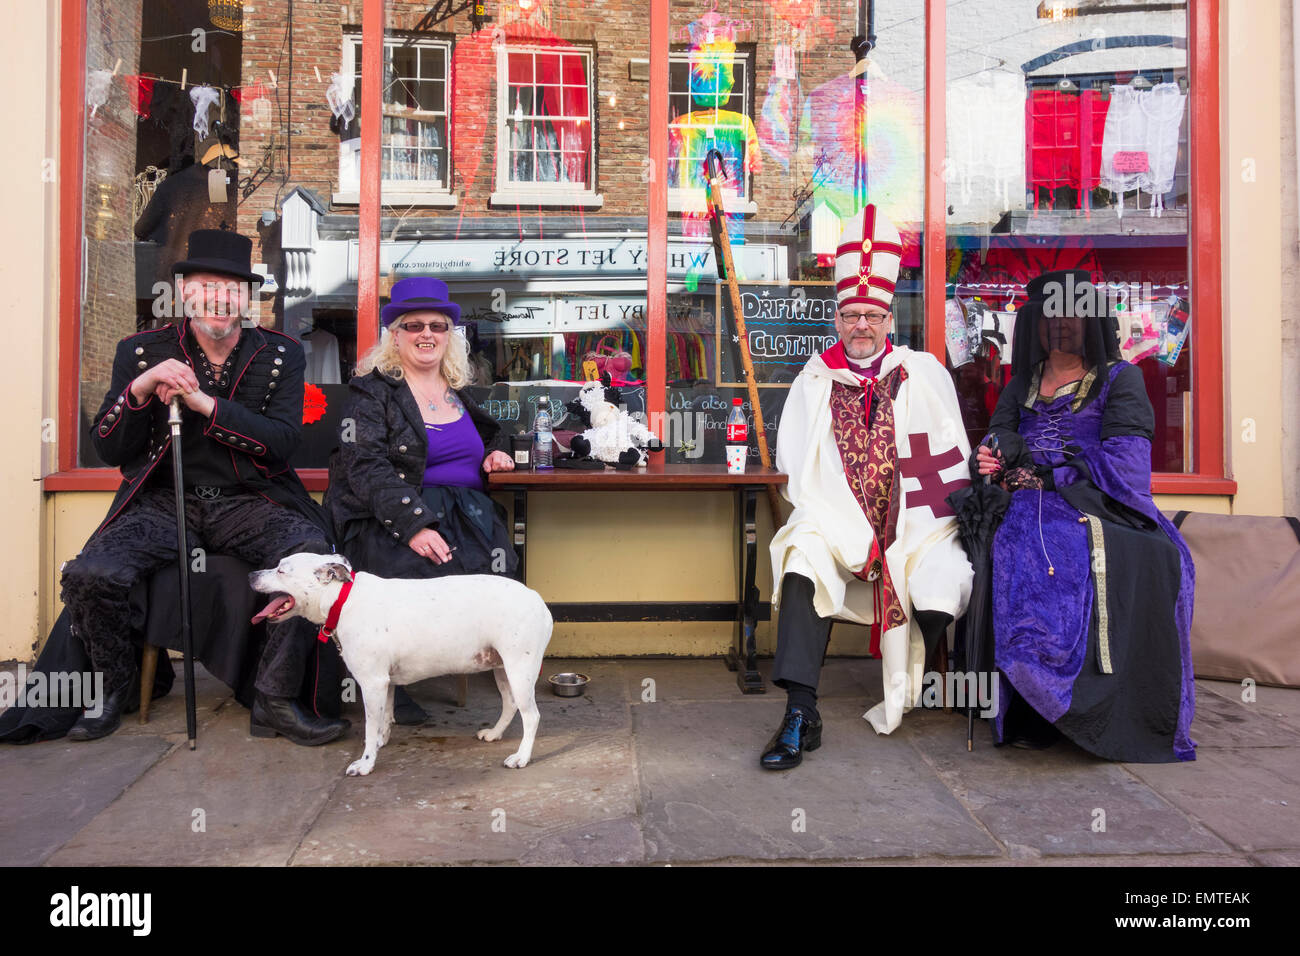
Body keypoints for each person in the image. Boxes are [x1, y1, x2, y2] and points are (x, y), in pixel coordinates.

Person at [9, 230, 349, 745]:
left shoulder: (279, 354)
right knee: (91, 572)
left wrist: (206, 406)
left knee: (314, 560)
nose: (220, 297)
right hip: (164, 502)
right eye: (207, 285)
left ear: (247, 298)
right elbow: (111, 449)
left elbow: (280, 443)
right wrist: (139, 391)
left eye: (233, 287)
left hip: (248, 501)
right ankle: (112, 689)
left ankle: (275, 696)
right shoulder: (142, 351)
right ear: (185, 292)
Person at [762, 204, 975, 770]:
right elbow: (797, 467)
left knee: (942, 586)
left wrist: (906, 527)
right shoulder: (813, 380)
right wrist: (840, 520)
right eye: (851, 314)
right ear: (836, 319)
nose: (861, 325)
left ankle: (935, 683)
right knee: (801, 552)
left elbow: (951, 456)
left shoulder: (922, 371)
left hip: (916, 527)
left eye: (872, 316)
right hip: (837, 524)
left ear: (888, 320)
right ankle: (800, 712)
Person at [972, 270, 1195, 762]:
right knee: (1020, 543)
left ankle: (1077, 703)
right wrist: (988, 456)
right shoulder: (1022, 383)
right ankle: (1032, 704)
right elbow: (998, 435)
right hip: (1022, 500)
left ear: (1091, 320)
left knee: (1066, 548)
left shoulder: (1121, 378)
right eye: (1051, 315)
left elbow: (1128, 462)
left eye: (1071, 314)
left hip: (1099, 500)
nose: (1061, 325)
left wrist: (1053, 479)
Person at [324, 277, 518, 725]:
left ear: (450, 336)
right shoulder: (373, 392)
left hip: (466, 514)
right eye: (413, 326)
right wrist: (415, 526)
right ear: (395, 335)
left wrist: (495, 451)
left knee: (499, 576)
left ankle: (484, 655)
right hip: (393, 515)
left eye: (437, 325)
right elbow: (365, 466)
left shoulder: (457, 390)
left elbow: (488, 432)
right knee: (413, 577)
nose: (426, 334)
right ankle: (389, 679)